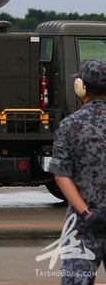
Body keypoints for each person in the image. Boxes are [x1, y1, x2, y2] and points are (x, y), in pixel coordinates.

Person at [50, 59, 106, 285]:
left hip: (84, 225)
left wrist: (87, 213)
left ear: (81, 87)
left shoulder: (70, 125)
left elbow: (61, 175)